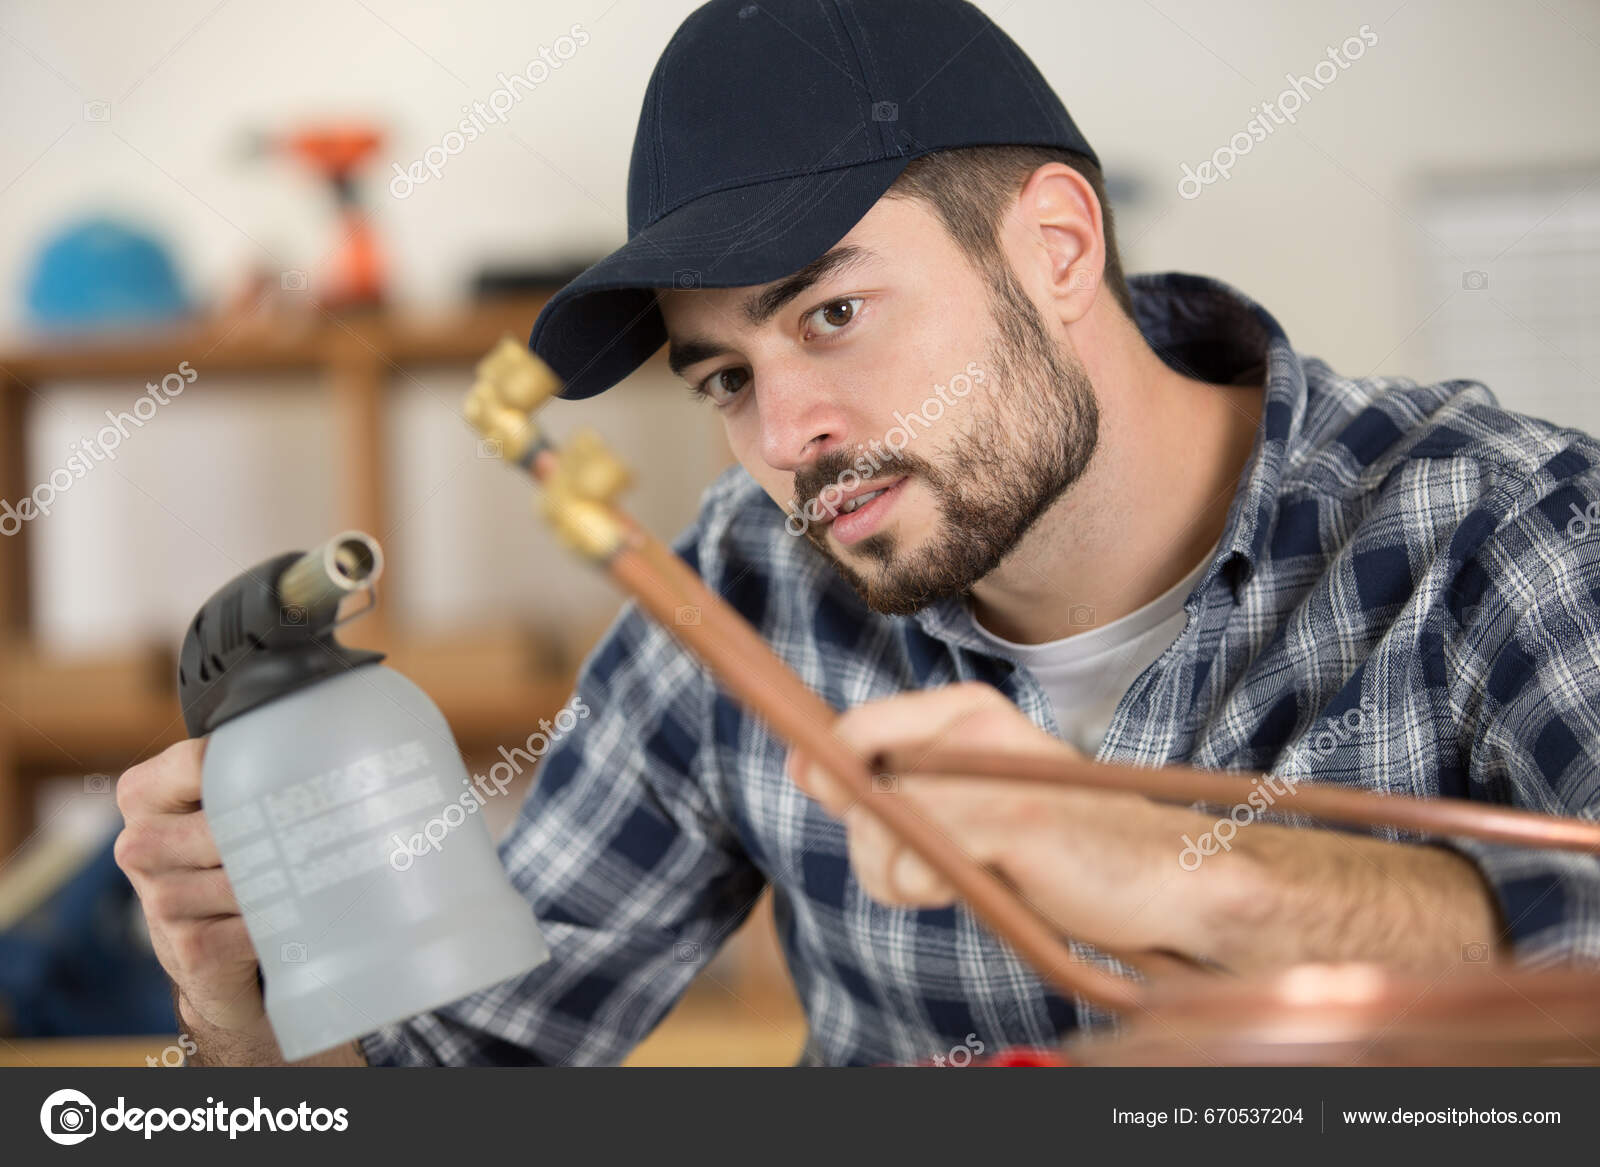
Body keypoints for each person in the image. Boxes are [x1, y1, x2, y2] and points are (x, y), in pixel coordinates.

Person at [115, 0, 1600, 1067]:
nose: (788, 436)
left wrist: (1201, 879)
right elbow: (467, 1074)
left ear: (1057, 246)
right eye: (725, 377)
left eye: (832, 313)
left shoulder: (1500, 528)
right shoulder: (740, 591)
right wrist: (245, 1012)